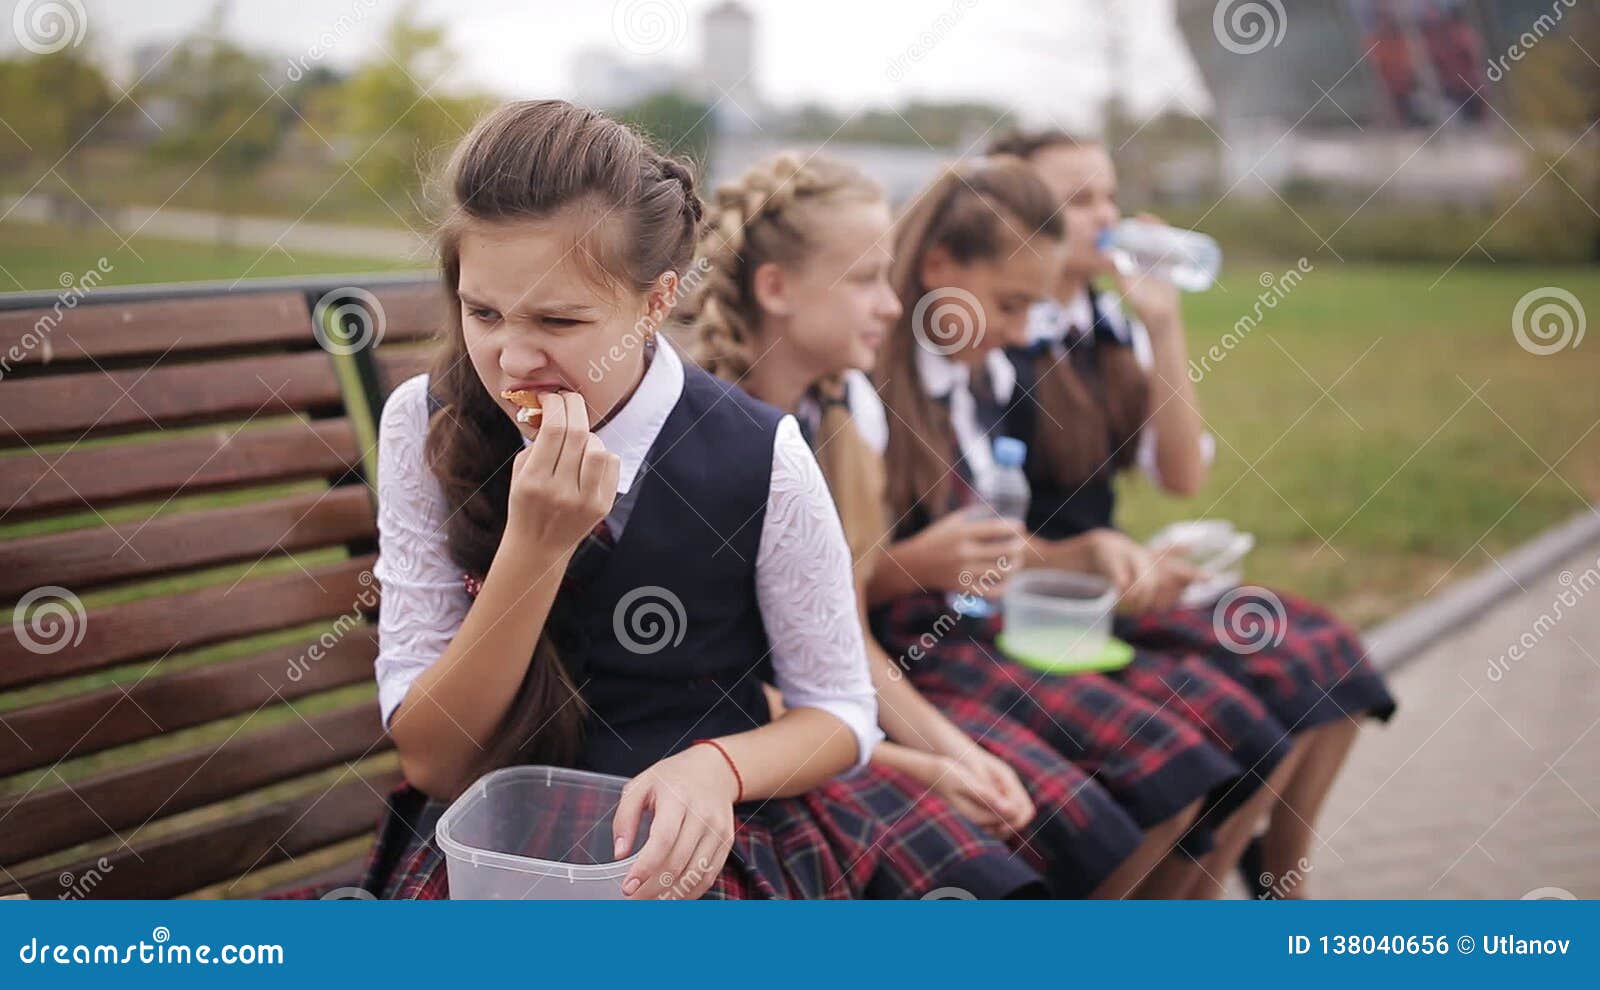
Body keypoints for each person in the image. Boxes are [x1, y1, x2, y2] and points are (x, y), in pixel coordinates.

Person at [360, 100, 1040, 900]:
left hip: (701, 827)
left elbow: (839, 710)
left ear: (655, 303)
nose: (511, 359)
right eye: (483, 312)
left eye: (560, 320)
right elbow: (435, 760)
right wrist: (535, 549)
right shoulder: (424, 423)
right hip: (496, 841)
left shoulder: (760, 453)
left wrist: (720, 766)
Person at [683, 151, 1203, 897]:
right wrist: (925, 762)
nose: (892, 304)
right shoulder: (703, 442)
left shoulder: (840, 412)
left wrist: (952, 753)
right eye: (866, 279)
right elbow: (710, 689)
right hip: (734, 747)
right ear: (775, 289)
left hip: (823, 721)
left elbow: (844, 638)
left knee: (1126, 790)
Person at [861, 156, 1293, 896]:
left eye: (1031, 309)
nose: (1020, 332)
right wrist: (914, 568)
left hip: (979, 625)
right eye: (1009, 305)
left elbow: (993, 545)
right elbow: (826, 592)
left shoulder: (984, 374)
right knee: (1148, 777)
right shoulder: (868, 392)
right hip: (909, 651)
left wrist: (1083, 555)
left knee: (1222, 739)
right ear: (937, 267)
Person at [987, 128, 1397, 896]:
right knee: (1237, 717)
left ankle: (1280, 888)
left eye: (1109, 195)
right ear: (1013, 218)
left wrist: (1163, 323)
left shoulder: (1112, 327)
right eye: (1079, 201)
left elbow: (1180, 476)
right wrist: (1099, 563)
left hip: (1116, 581)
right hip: (1032, 601)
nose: (1106, 216)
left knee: (1327, 656)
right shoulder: (992, 336)